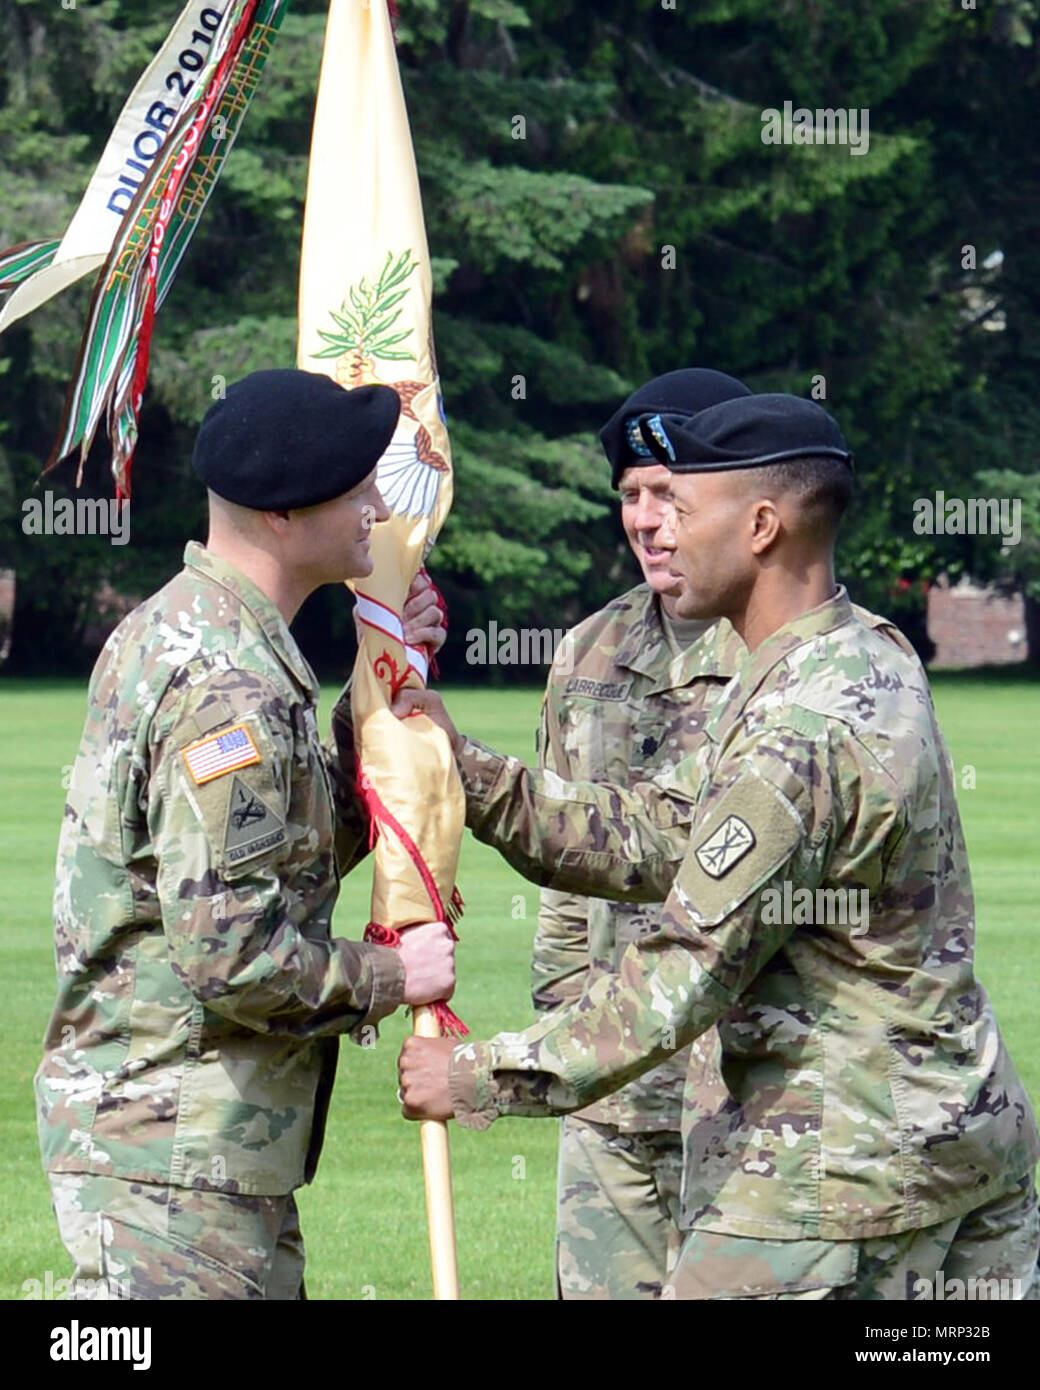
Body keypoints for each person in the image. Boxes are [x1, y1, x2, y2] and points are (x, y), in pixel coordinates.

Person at [398, 392, 1040, 1300]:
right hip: (952, 1141)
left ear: (762, 527)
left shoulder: (798, 731)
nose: (658, 532)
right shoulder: (855, 655)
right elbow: (667, 834)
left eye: (684, 509)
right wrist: (462, 773)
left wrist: (478, 1075)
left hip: (833, 1179)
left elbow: (685, 968)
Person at [37, 368, 456, 1301]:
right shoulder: (228, 685)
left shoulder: (201, 635)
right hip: (175, 1169)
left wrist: (374, 686)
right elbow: (232, 956)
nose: (378, 507)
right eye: (358, 487)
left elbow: (281, 858)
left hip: (196, 1155)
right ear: (284, 512)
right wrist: (397, 975)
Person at [532, 368, 748, 1299]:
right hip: (613, 1090)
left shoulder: (796, 657)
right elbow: (560, 869)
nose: (647, 520)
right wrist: (561, 1020)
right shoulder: (587, 653)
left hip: (749, 1094)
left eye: (669, 495)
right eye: (631, 496)